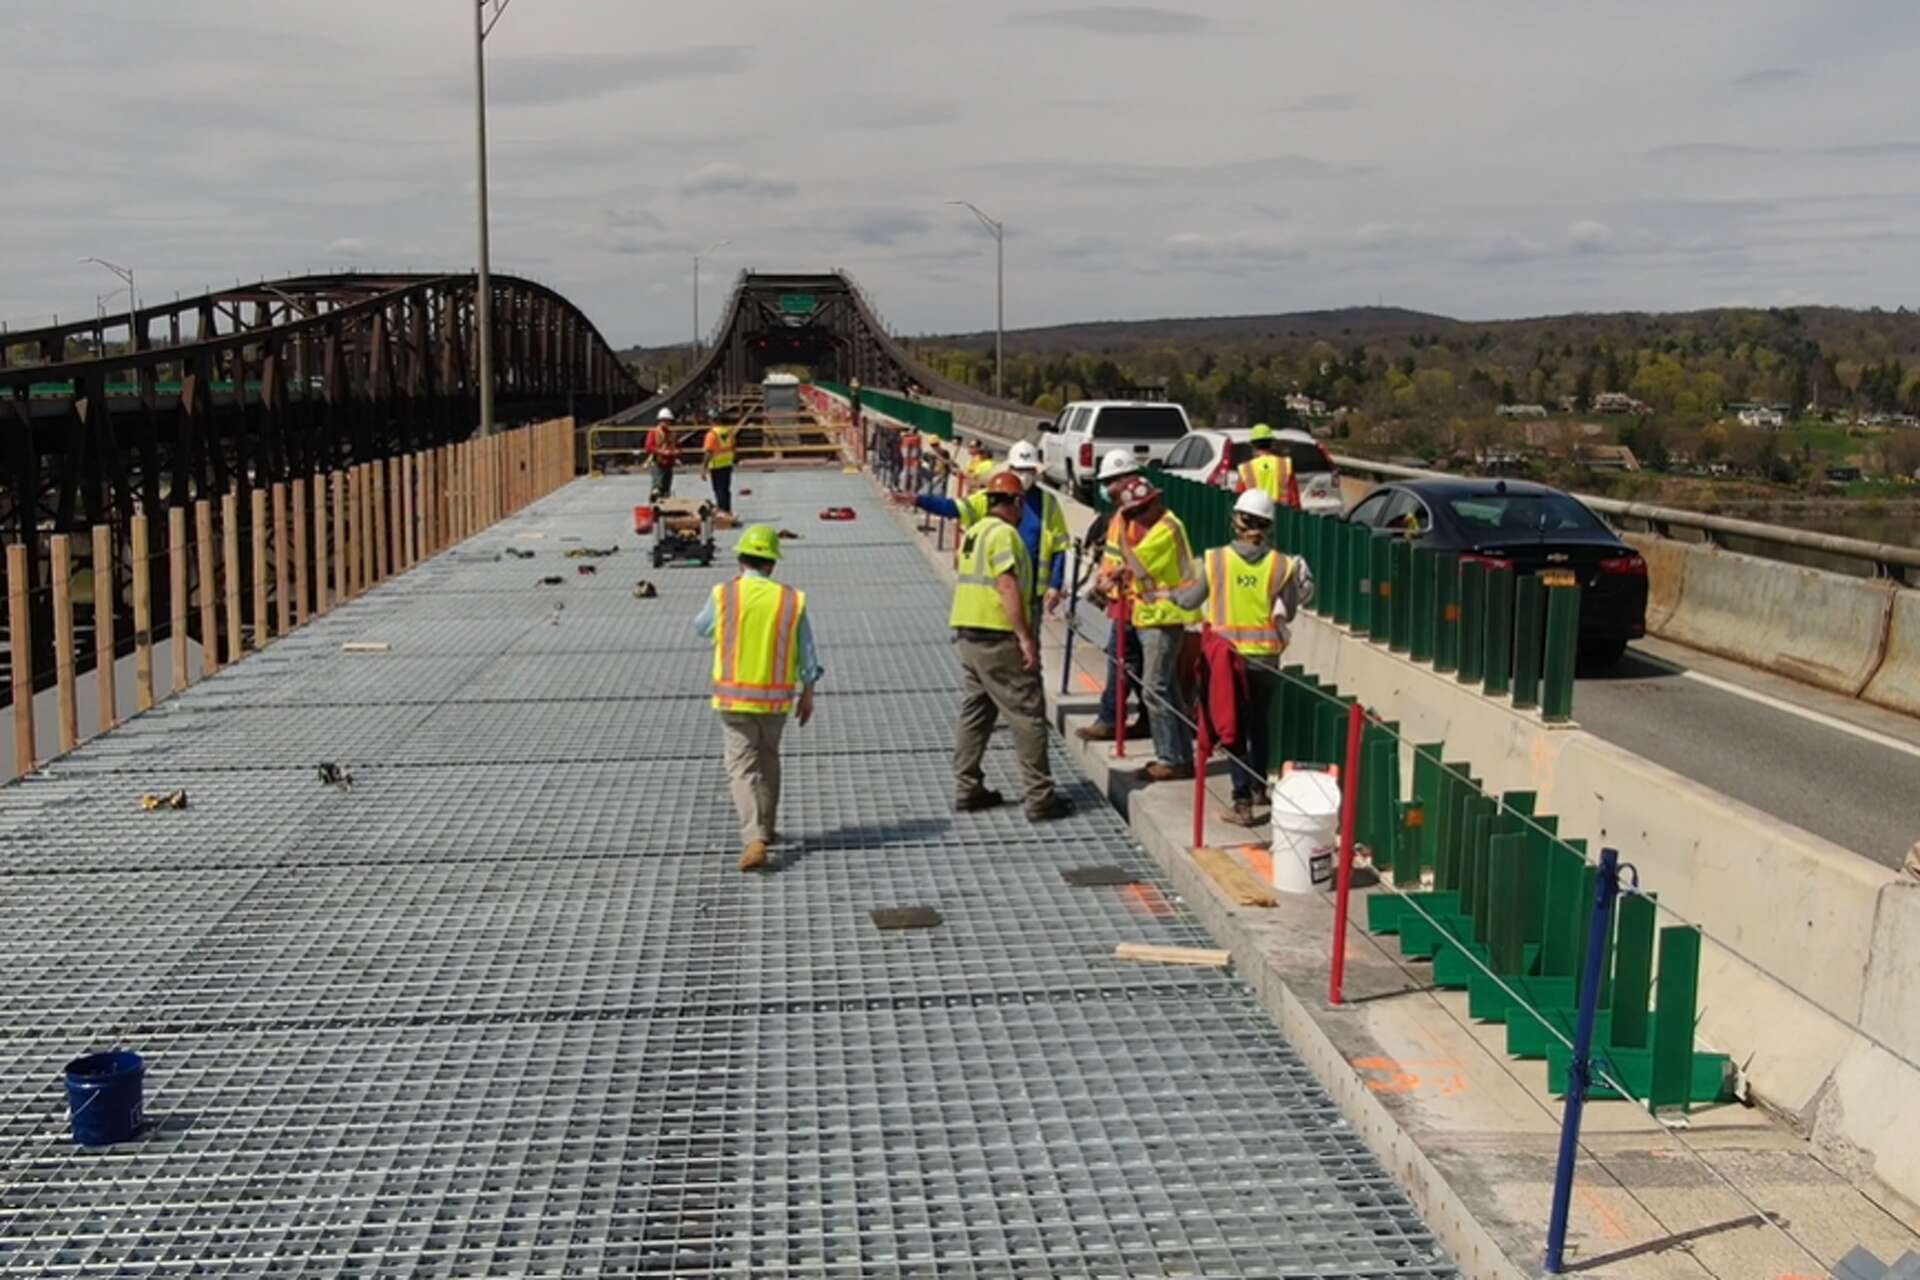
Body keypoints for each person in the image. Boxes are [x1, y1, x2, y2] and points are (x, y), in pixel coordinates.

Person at [1173, 489, 1314, 825]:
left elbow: (1189, 601)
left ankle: (1241, 803)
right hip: (1266, 661)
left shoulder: (1216, 560)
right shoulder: (1282, 565)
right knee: (1258, 723)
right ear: (1269, 526)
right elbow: (1289, 611)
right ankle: (1258, 788)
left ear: (1236, 521)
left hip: (1227, 659)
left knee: (1231, 726)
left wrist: (1171, 593)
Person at [694, 524, 822, 871]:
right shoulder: (791, 599)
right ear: (772, 564)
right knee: (768, 761)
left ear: (741, 560)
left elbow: (702, 627)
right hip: (776, 701)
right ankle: (766, 828)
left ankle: (753, 838)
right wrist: (808, 694)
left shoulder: (725, 594)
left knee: (742, 768)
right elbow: (808, 652)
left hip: (734, 700)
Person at [950, 472, 1072, 822]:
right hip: (998, 635)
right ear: (1017, 502)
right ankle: (1040, 797)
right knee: (1027, 712)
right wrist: (1025, 637)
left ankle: (967, 787)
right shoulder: (1004, 535)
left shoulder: (975, 532)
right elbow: (1006, 586)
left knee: (977, 711)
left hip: (968, 633)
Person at [1095, 473, 1201, 782]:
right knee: (1168, 689)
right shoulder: (1153, 527)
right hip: (1150, 616)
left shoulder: (1167, 528)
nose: (1137, 518)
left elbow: (1138, 566)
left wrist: (1121, 533)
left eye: (1140, 511)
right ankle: (1179, 756)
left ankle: (1171, 758)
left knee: (1154, 688)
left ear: (1155, 503)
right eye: (1132, 513)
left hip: (1164, 617)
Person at [893, 441, 1070, 615]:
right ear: (1009, 469)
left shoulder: (1048, 503)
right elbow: (953, 507)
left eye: (1028, 470)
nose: (1024, 476)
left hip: (1030, 595)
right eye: (1019, 470)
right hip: (995, 590)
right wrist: (918, 500)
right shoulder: (992, 497)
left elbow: (1060, 546)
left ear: (1036, 471)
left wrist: (1055, 585)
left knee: (1026, 632)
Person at [1074, 449, 1152, 744]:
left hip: (1136, 601)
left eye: (1110, 482)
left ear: (1127, 479)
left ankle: (1109, 720)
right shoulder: (1121, 514)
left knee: (1121, 662)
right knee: (1135, 665)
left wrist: (1115, 578)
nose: (1106, 489)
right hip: (1122, 599)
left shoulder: (1141, 514)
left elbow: (1141, 560)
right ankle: (1144, 719)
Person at [1237, 423, 1297, 508]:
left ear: (1253, 446)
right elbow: (1294, 499)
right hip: (1280, 513)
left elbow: (1240, 499)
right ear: (1271, 444)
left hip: (1255, 513)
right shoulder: (1284, 464)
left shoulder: (1246, 468)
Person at [703, 417, 737, 514]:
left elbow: (708, 452)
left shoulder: (712, 434)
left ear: (712, 421)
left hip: (716, 465)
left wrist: (704, 467)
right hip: (727, 464)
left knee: (718, 489)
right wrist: (733, 459)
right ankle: (727, 509)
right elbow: (734, 447)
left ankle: (722, 511)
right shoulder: (729, 432)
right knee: (725, 489)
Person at [646, 408, 681, 497]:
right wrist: (662, 452)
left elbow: (678, 446)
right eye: (664, 420)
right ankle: (655, 502)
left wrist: (676, 452)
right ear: (660, 420)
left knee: (666, 488)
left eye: (668, 421)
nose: (666, 423)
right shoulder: (653, 432)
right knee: (657, 487)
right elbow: (649, 447)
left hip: (669, 463)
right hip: (657, 462)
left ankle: (665, 502)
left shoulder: (671, 433)